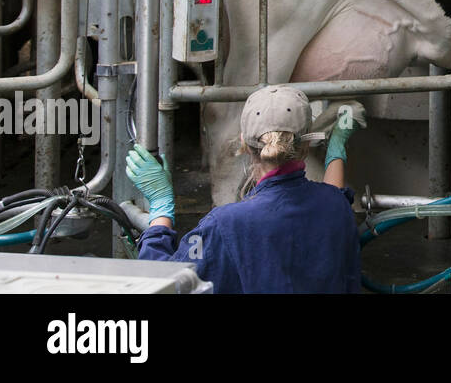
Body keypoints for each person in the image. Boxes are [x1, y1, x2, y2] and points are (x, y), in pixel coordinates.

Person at [126, 85, 363, 293]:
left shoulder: (224, 225)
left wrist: (161, 208)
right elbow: (332, 197)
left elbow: (164, 283)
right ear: (307, 144)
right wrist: (337, 149)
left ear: (244, 143)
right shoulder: (336, 206)